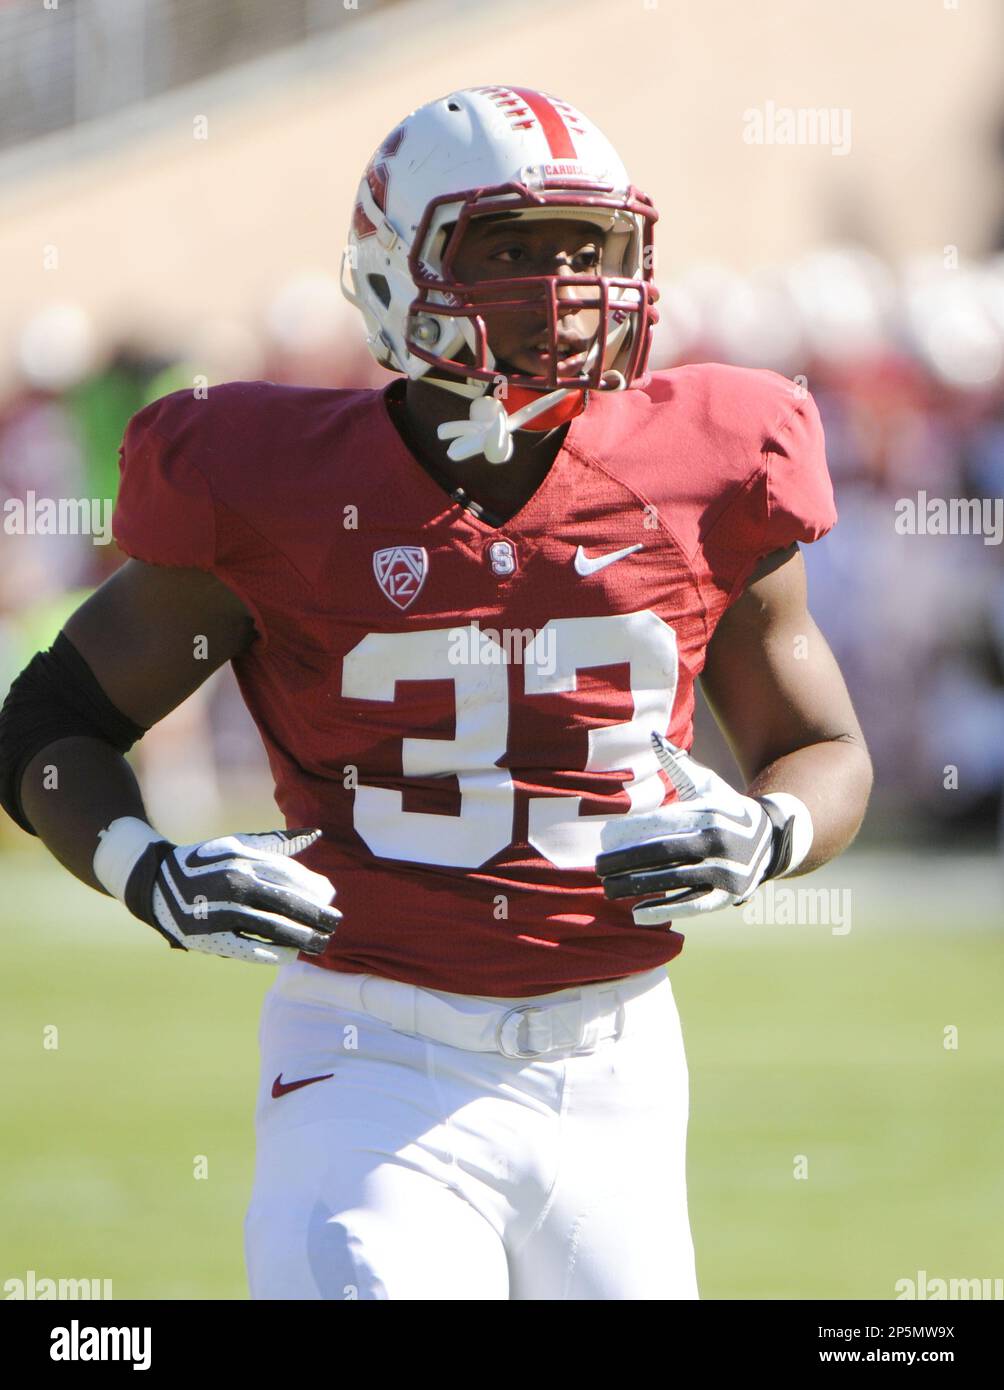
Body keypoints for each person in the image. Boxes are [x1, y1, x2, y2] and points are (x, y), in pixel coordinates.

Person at [0, 85, 872, 1300]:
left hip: (615, 1056)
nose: (563, 284)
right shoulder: (268, 482)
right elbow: (46, 727)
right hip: (367, 1053)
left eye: (587, 246)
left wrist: (771, 830)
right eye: (511, 247)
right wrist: (146, 866)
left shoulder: (712, 461)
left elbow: (824, 746)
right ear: (390, 269)